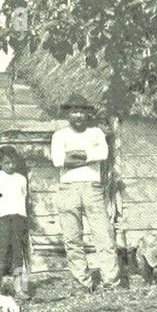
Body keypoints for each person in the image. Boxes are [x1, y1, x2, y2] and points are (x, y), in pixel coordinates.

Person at [51, 94, 120, 292]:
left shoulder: (96, 133)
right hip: (68, 188)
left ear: (87, 113)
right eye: (74, 111)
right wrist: (87, 157)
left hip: (92, 187)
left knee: (103, 235)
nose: (78, 115)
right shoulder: (60, 135)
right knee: (72, 238)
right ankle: (82, 282)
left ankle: (110, 281)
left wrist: (75, 156)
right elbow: (58, 161)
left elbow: (103, 154)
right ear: (68, 113)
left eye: (81, 111)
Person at [0, 145, 30, 299]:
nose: (10, 166)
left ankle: (18, 288)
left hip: (17, 219)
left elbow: (23, 197)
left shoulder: (21, 179)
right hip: (1, 219)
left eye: (13, 163)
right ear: (0, 162)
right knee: (0, 253)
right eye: (7, 163)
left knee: (18, 254)